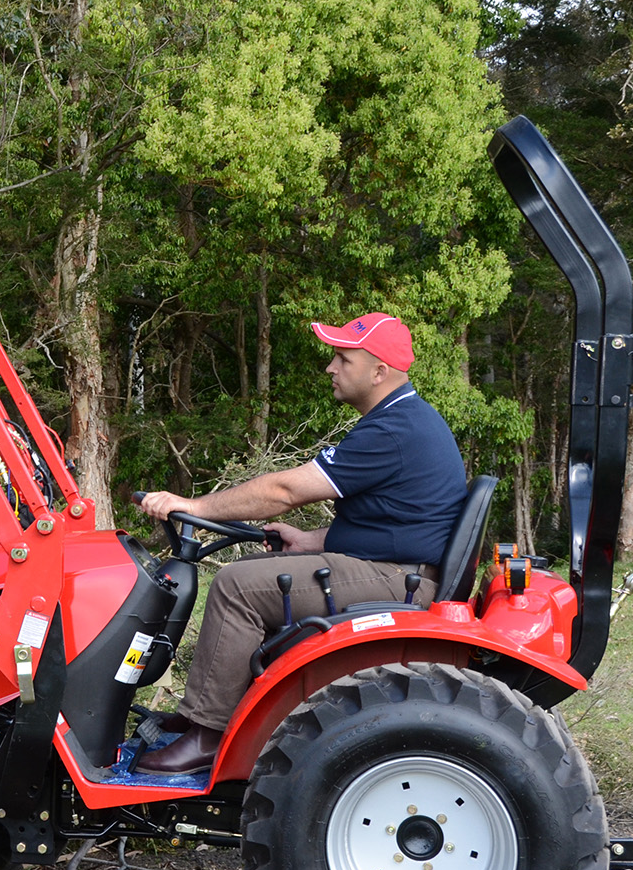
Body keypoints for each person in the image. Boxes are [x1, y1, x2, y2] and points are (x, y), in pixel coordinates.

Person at [133, 314, 467, 776]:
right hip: (397, 568)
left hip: (400, 579)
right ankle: (203, 716)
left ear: (379, 371)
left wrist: (193, 505)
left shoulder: (393, 429)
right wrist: (309, 540)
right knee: (253, 573)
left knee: (237, 586)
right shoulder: (400, 419)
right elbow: (392, 520)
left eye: (343, 358)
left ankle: (208, 735)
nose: (331, 367)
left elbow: (284, 492)